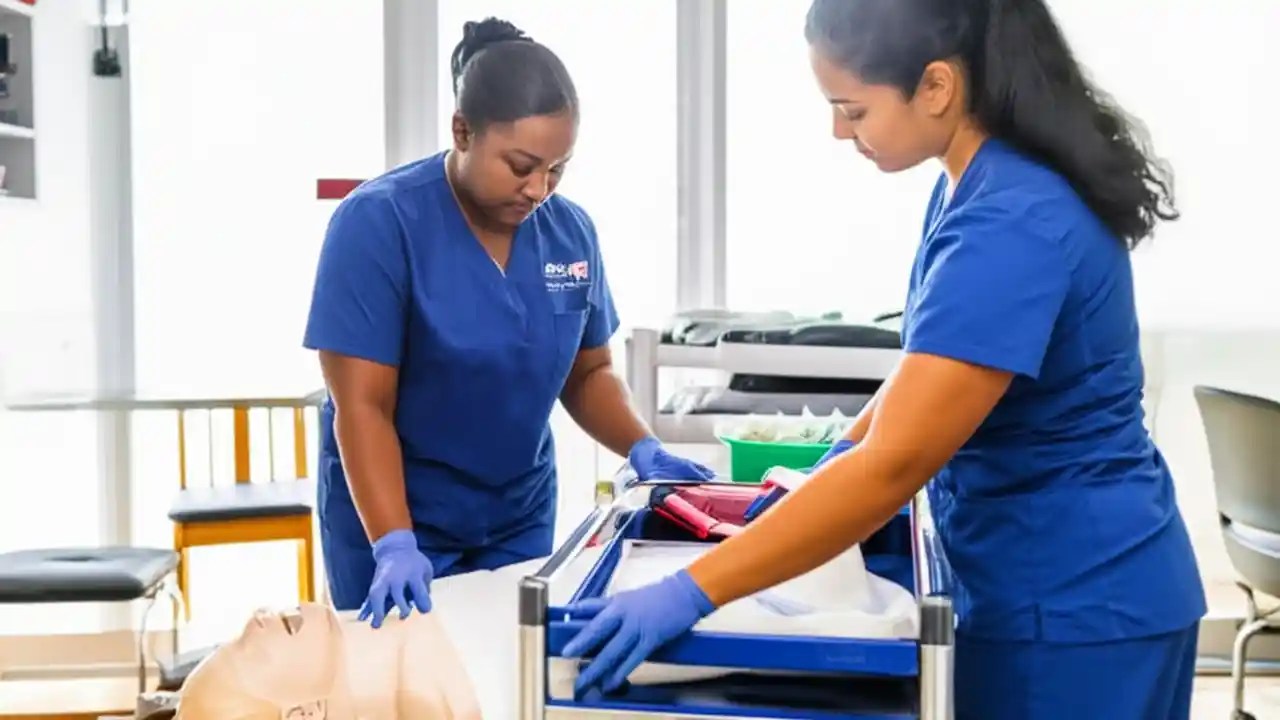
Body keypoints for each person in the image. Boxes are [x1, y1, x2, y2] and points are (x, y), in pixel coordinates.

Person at [561, 0, 1207, 717]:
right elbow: (924, 374)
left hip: (1080, 603)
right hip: (1036, 578)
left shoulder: (1011, 222)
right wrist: (823, 468)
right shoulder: (970, 183)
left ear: (935, 86)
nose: (840, 131)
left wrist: (695, 588)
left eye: (853, 109)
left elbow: (897, 464)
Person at [302, 17, 713, 629]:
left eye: (557, 169)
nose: (538, 189)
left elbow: (588, 372)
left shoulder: (570, 231)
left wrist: (642, 445)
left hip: (517, 512)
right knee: (401, 685)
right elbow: (362, 406)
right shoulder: (378, 224)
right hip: (398, 517)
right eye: (521, 165)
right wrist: (392, 541)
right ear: (462, 130)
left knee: (505, 672)